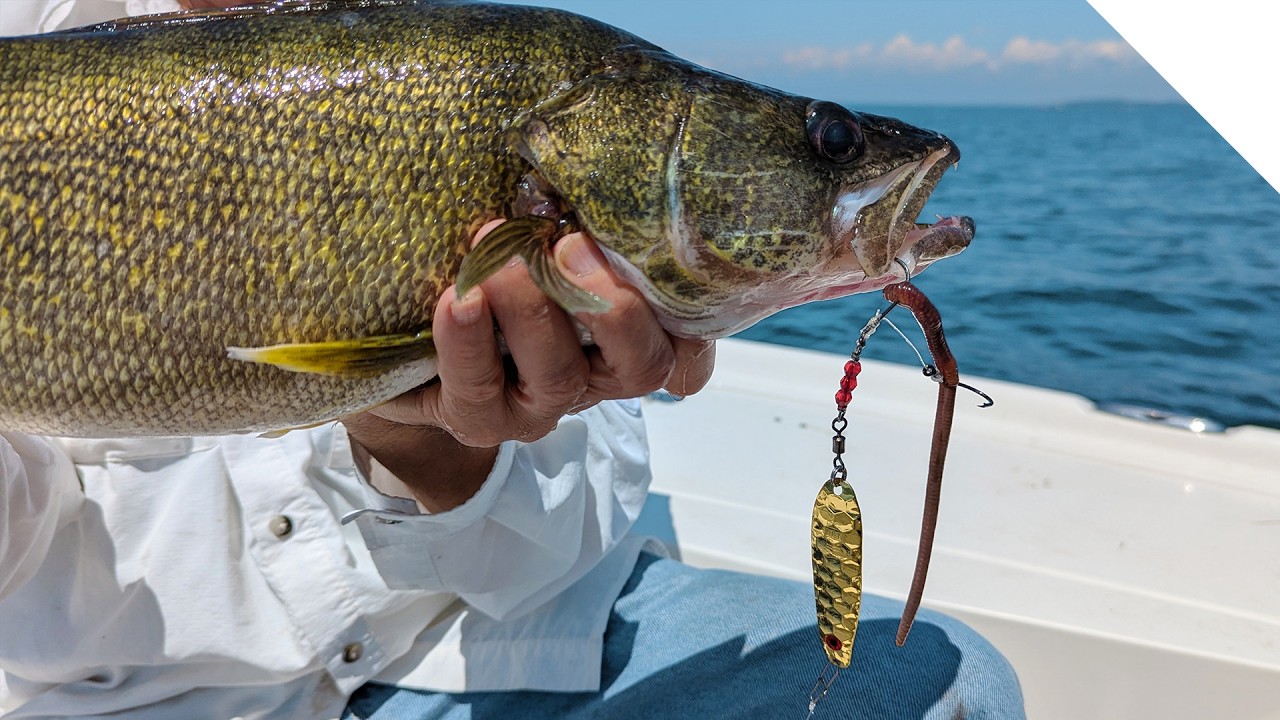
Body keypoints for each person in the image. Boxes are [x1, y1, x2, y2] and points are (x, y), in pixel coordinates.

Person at [0, 2, 1027, 718]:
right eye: (830, 143)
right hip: (112, 698)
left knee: (938, 687)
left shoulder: (455, 51)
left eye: (824, 142)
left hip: (458, 657)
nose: (841, 159)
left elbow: (578, 526)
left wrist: (421, 442)